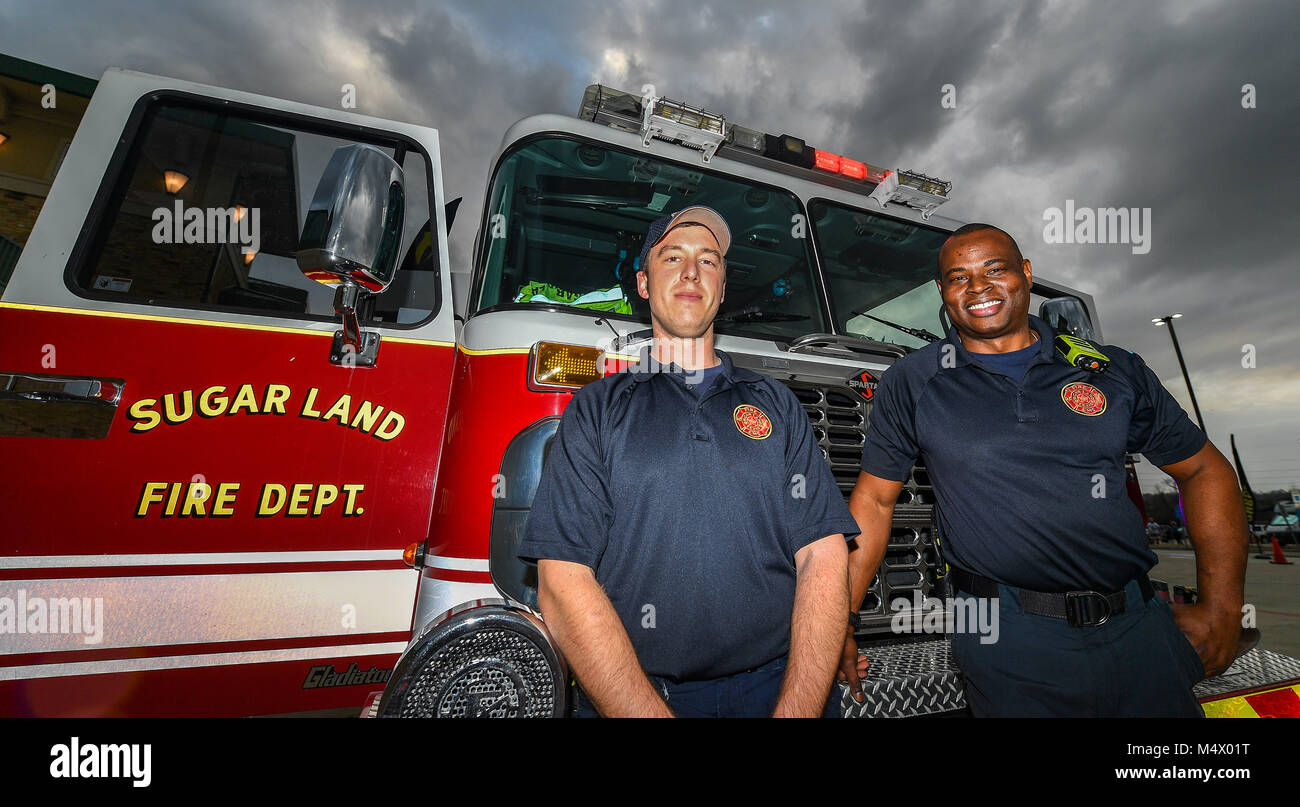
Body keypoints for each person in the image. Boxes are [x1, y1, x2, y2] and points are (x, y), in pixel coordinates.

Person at [839, 223, 1247, 717]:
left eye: (994, 269)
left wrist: (1223, 608)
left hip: (1140, 628)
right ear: (942, 293)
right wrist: (841, 622)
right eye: (957, 277)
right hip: (1009, 639)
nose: (978, 287)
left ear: (1026, 274)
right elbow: (876, 503)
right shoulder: (914, 381)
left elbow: (1205, 470)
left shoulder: (1110, 369)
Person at [519, 206, 860, 718]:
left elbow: (824, 555)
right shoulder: (595, 410)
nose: (690, 272)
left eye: (709, 260)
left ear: (721, 289)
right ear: (642, 282)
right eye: (671, 257)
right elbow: (562, 579)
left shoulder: (777, 404)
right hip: (632, 694)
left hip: (779, 687)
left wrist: (798, 709)